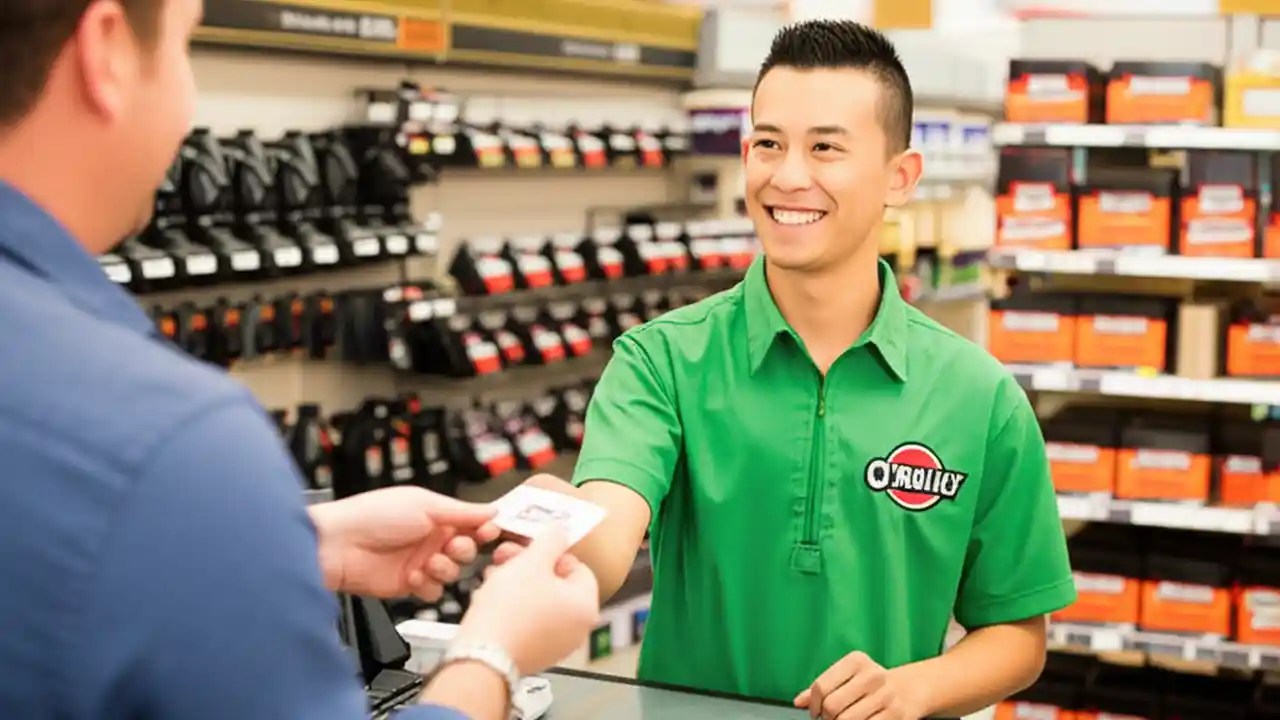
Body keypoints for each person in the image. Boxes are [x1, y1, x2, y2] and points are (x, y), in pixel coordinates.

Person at [0, 1, 600, 719]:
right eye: (184, 47)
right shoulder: (166, 439)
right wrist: (493, 653)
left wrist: (291, 541)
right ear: (109, 52)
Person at [494, 19, 1077, 720]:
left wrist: (915, 688)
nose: (787, 176)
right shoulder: (662, 360)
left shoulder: (980, 398)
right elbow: (611, 529)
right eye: (768, 144)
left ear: (900, 177)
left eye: (825, 148)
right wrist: (554, 532)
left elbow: (1017, 635)